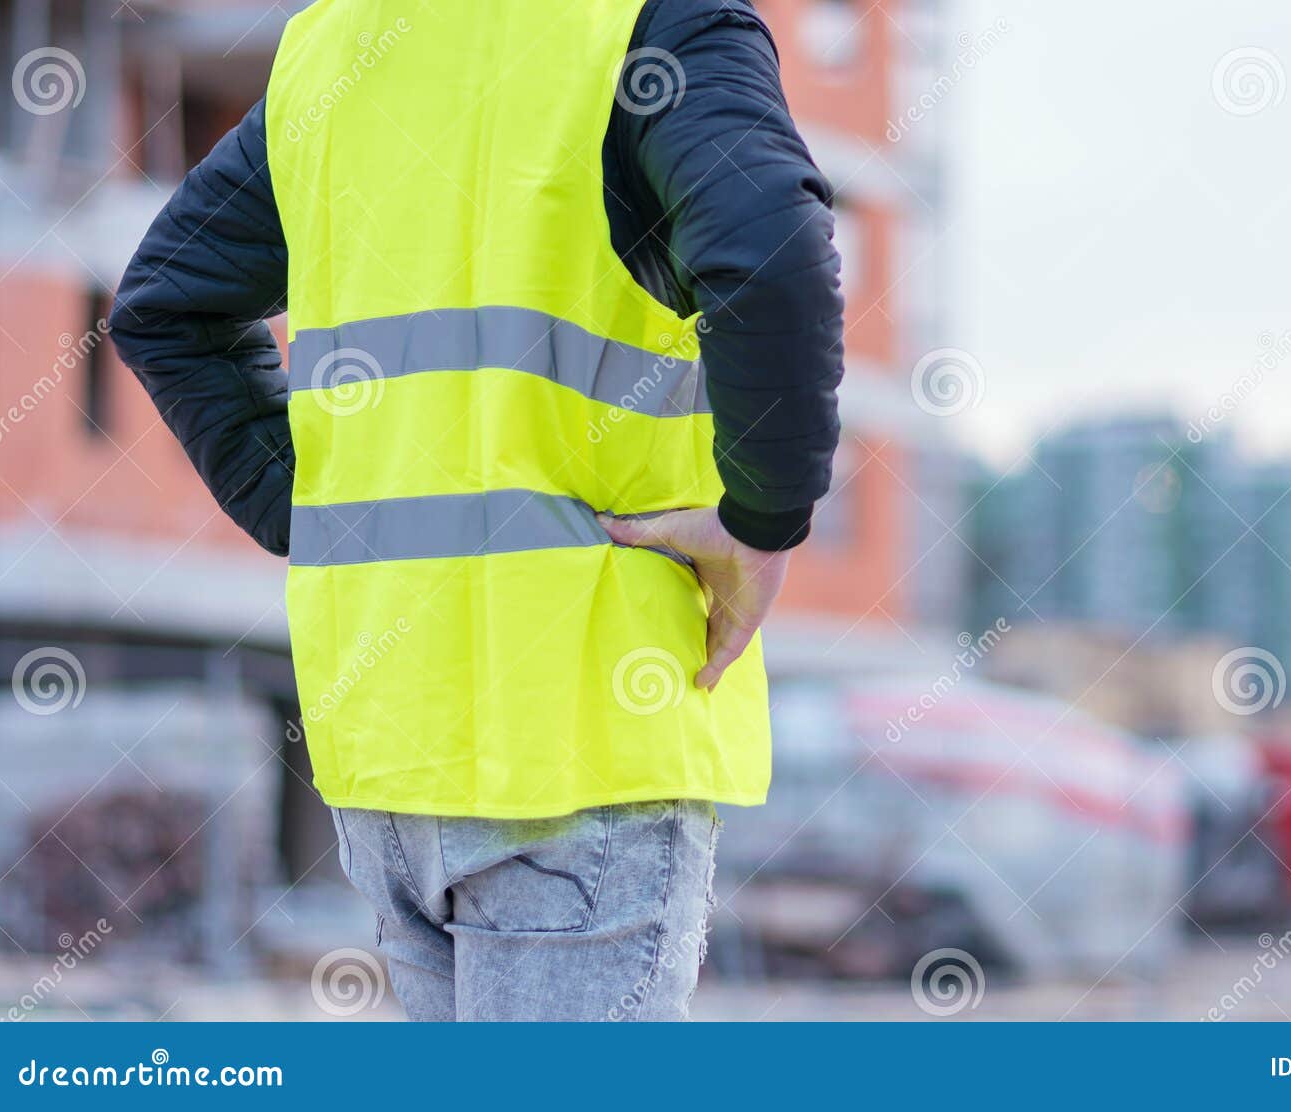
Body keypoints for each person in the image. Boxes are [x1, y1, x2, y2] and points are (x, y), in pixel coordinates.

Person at [110, 0, 843, 1021]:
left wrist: (333, 514)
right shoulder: (649, 23)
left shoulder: (333, 41)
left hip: (393, 745)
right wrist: (763, 519)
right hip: (583, 733)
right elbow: (769, 246)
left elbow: (165, 301)